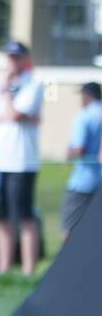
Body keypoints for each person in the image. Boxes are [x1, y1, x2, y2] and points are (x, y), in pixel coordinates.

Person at [0, 41, 44, 275]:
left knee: (25, 217)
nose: (12, 62)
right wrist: (5, 110)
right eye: (9, 57)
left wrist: (7, 94)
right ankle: (4, 267)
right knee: (1, 217)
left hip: (22, 162)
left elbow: (15, 113)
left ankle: (29, 269)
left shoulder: (34, 84)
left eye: (16, 57)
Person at [62, 82, 102, 238]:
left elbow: (79, 149)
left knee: (70, 227)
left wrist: (69, 153)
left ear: (87, 96)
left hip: (83, 181)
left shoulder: (84, 117)